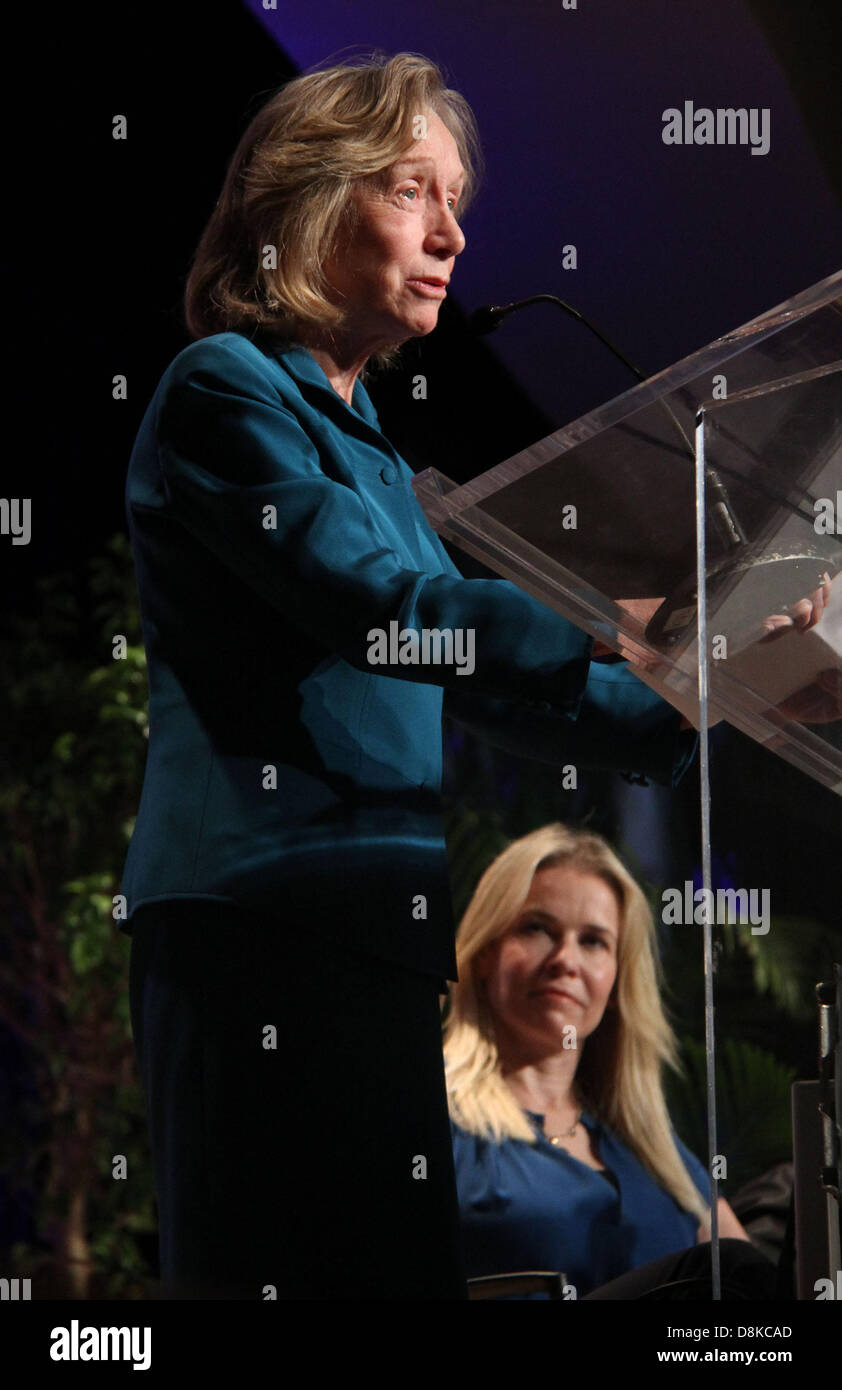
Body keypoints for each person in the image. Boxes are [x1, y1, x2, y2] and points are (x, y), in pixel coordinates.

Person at [122, 51, 722, 1302]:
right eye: (412, 190)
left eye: (458, 202)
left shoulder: (386, 469)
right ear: (307, 204)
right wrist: (607, 619)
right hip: (257, 920)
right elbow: (383, 613)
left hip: (381, 935)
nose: (452, 231)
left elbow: (482, 678)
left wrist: (713, 684)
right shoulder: (221, 390)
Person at [444, 823, 778, 1300]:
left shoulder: (648, 1146)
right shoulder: (441, 1124)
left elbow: (756, 1288)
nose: (566, 959)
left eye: (594, 941)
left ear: (619, 980)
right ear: (484, 953)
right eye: (537, 928)